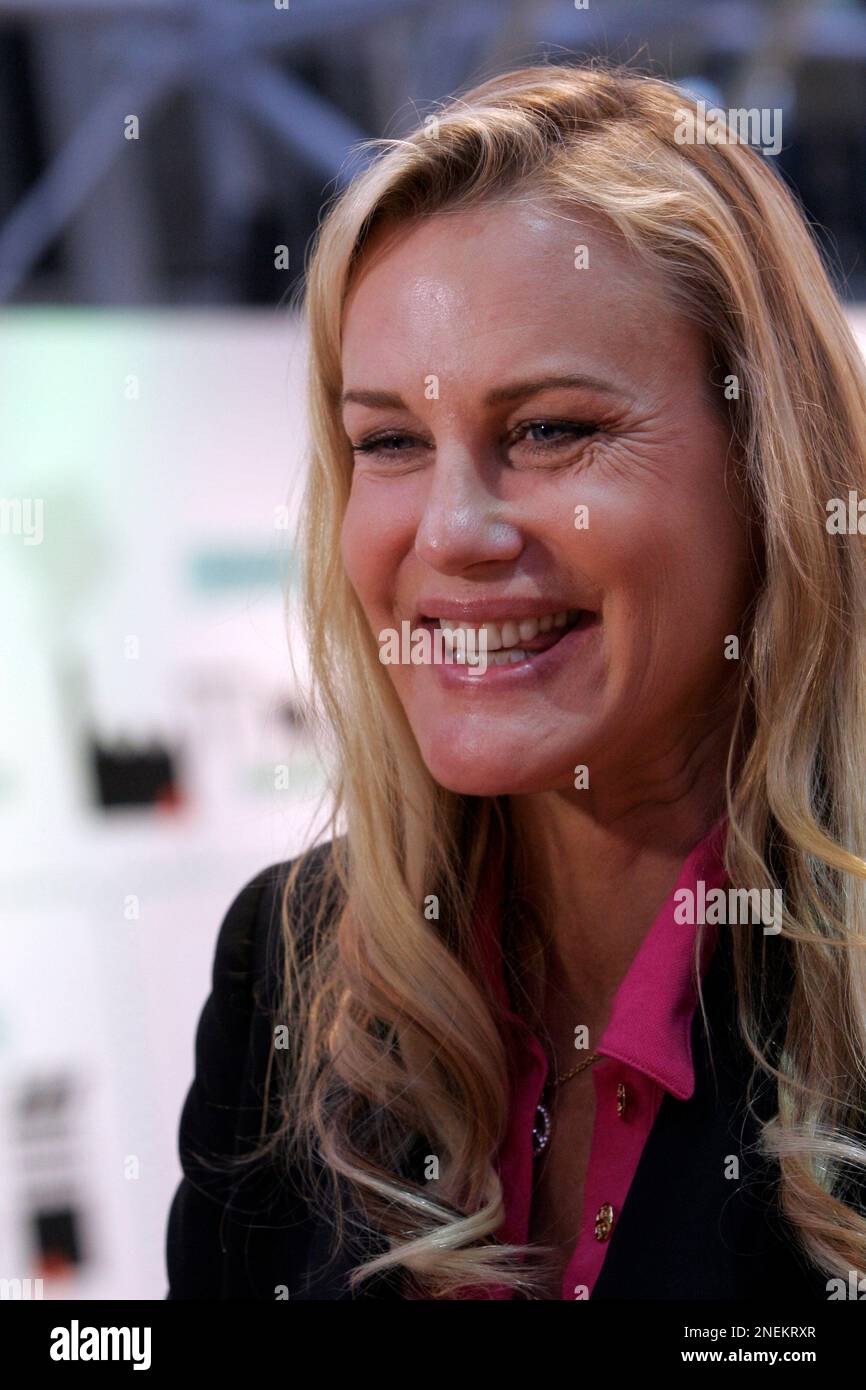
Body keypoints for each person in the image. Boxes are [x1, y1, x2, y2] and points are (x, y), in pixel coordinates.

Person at [166, 61, 866, 1300]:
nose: (449, 533)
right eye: (387, 442)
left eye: (548, 430)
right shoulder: (286, 964)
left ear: (767, 471)